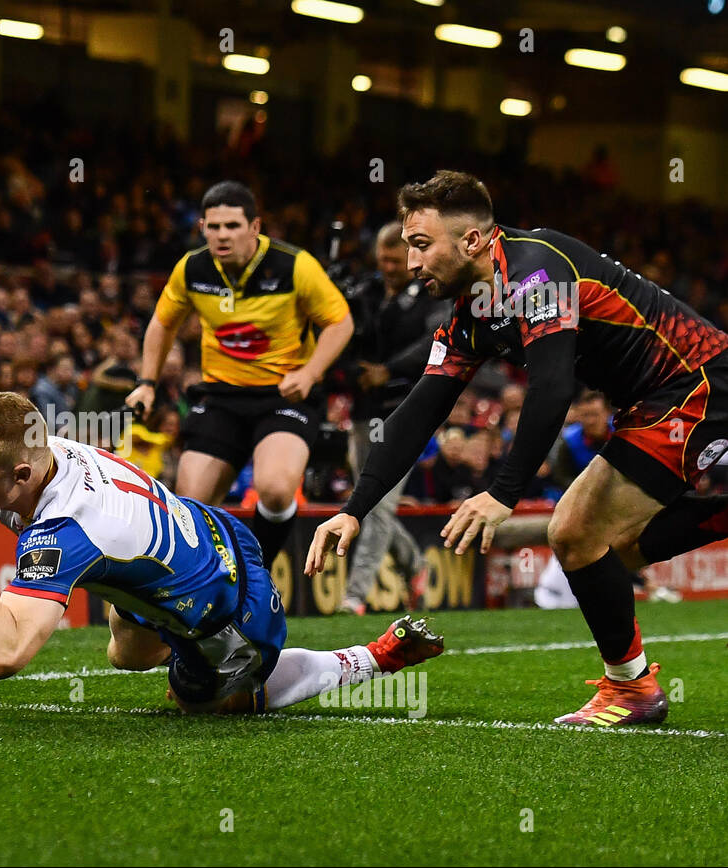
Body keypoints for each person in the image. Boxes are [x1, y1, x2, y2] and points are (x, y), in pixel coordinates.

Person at [306, 169, 728, 727]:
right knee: (605, 553)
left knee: (575, 534)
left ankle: (633, 690)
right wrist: (353, 509)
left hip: (694, 386)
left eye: (421, 245)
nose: (411, 264)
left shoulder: (538, 269)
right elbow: (420, 411)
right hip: (653, 401)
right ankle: (636, 684)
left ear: (473, 240)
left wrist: (502, 493)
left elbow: (553, 388)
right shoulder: (473, 311)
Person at [0, 392, 442, 714]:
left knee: (205, 704)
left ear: (19, 476)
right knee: (122, 654)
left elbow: (8, 657)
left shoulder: (62, 526)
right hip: (200, 538)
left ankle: (369, 656)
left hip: (236, 607)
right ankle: (162, 626)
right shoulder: (30, 461)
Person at [126, 181, 353, 568]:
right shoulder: (193, 269)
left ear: (255, 227)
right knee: (189, 501)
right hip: (221, 396)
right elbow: (162, 325)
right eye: (213, 227)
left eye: (232, 226)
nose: (221, 235)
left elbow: (340, 322)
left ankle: (255, 576)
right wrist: (146, 383)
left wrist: (311, 373)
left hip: (284, 396)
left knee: (277, 489)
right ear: (201, 227)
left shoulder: (294, 266)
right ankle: (202, 586)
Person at [336, 222, 446, 614]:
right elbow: (341, 331)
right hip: (365, 412)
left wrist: (389, 369)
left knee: (377, 505)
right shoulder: (365, 292)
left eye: (395, 259)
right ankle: (415, 566)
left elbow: (434, 339)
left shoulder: (430, 292)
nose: (389, 266)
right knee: (366, 501)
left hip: (406, 411)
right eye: (382, 259)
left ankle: (355, 596)